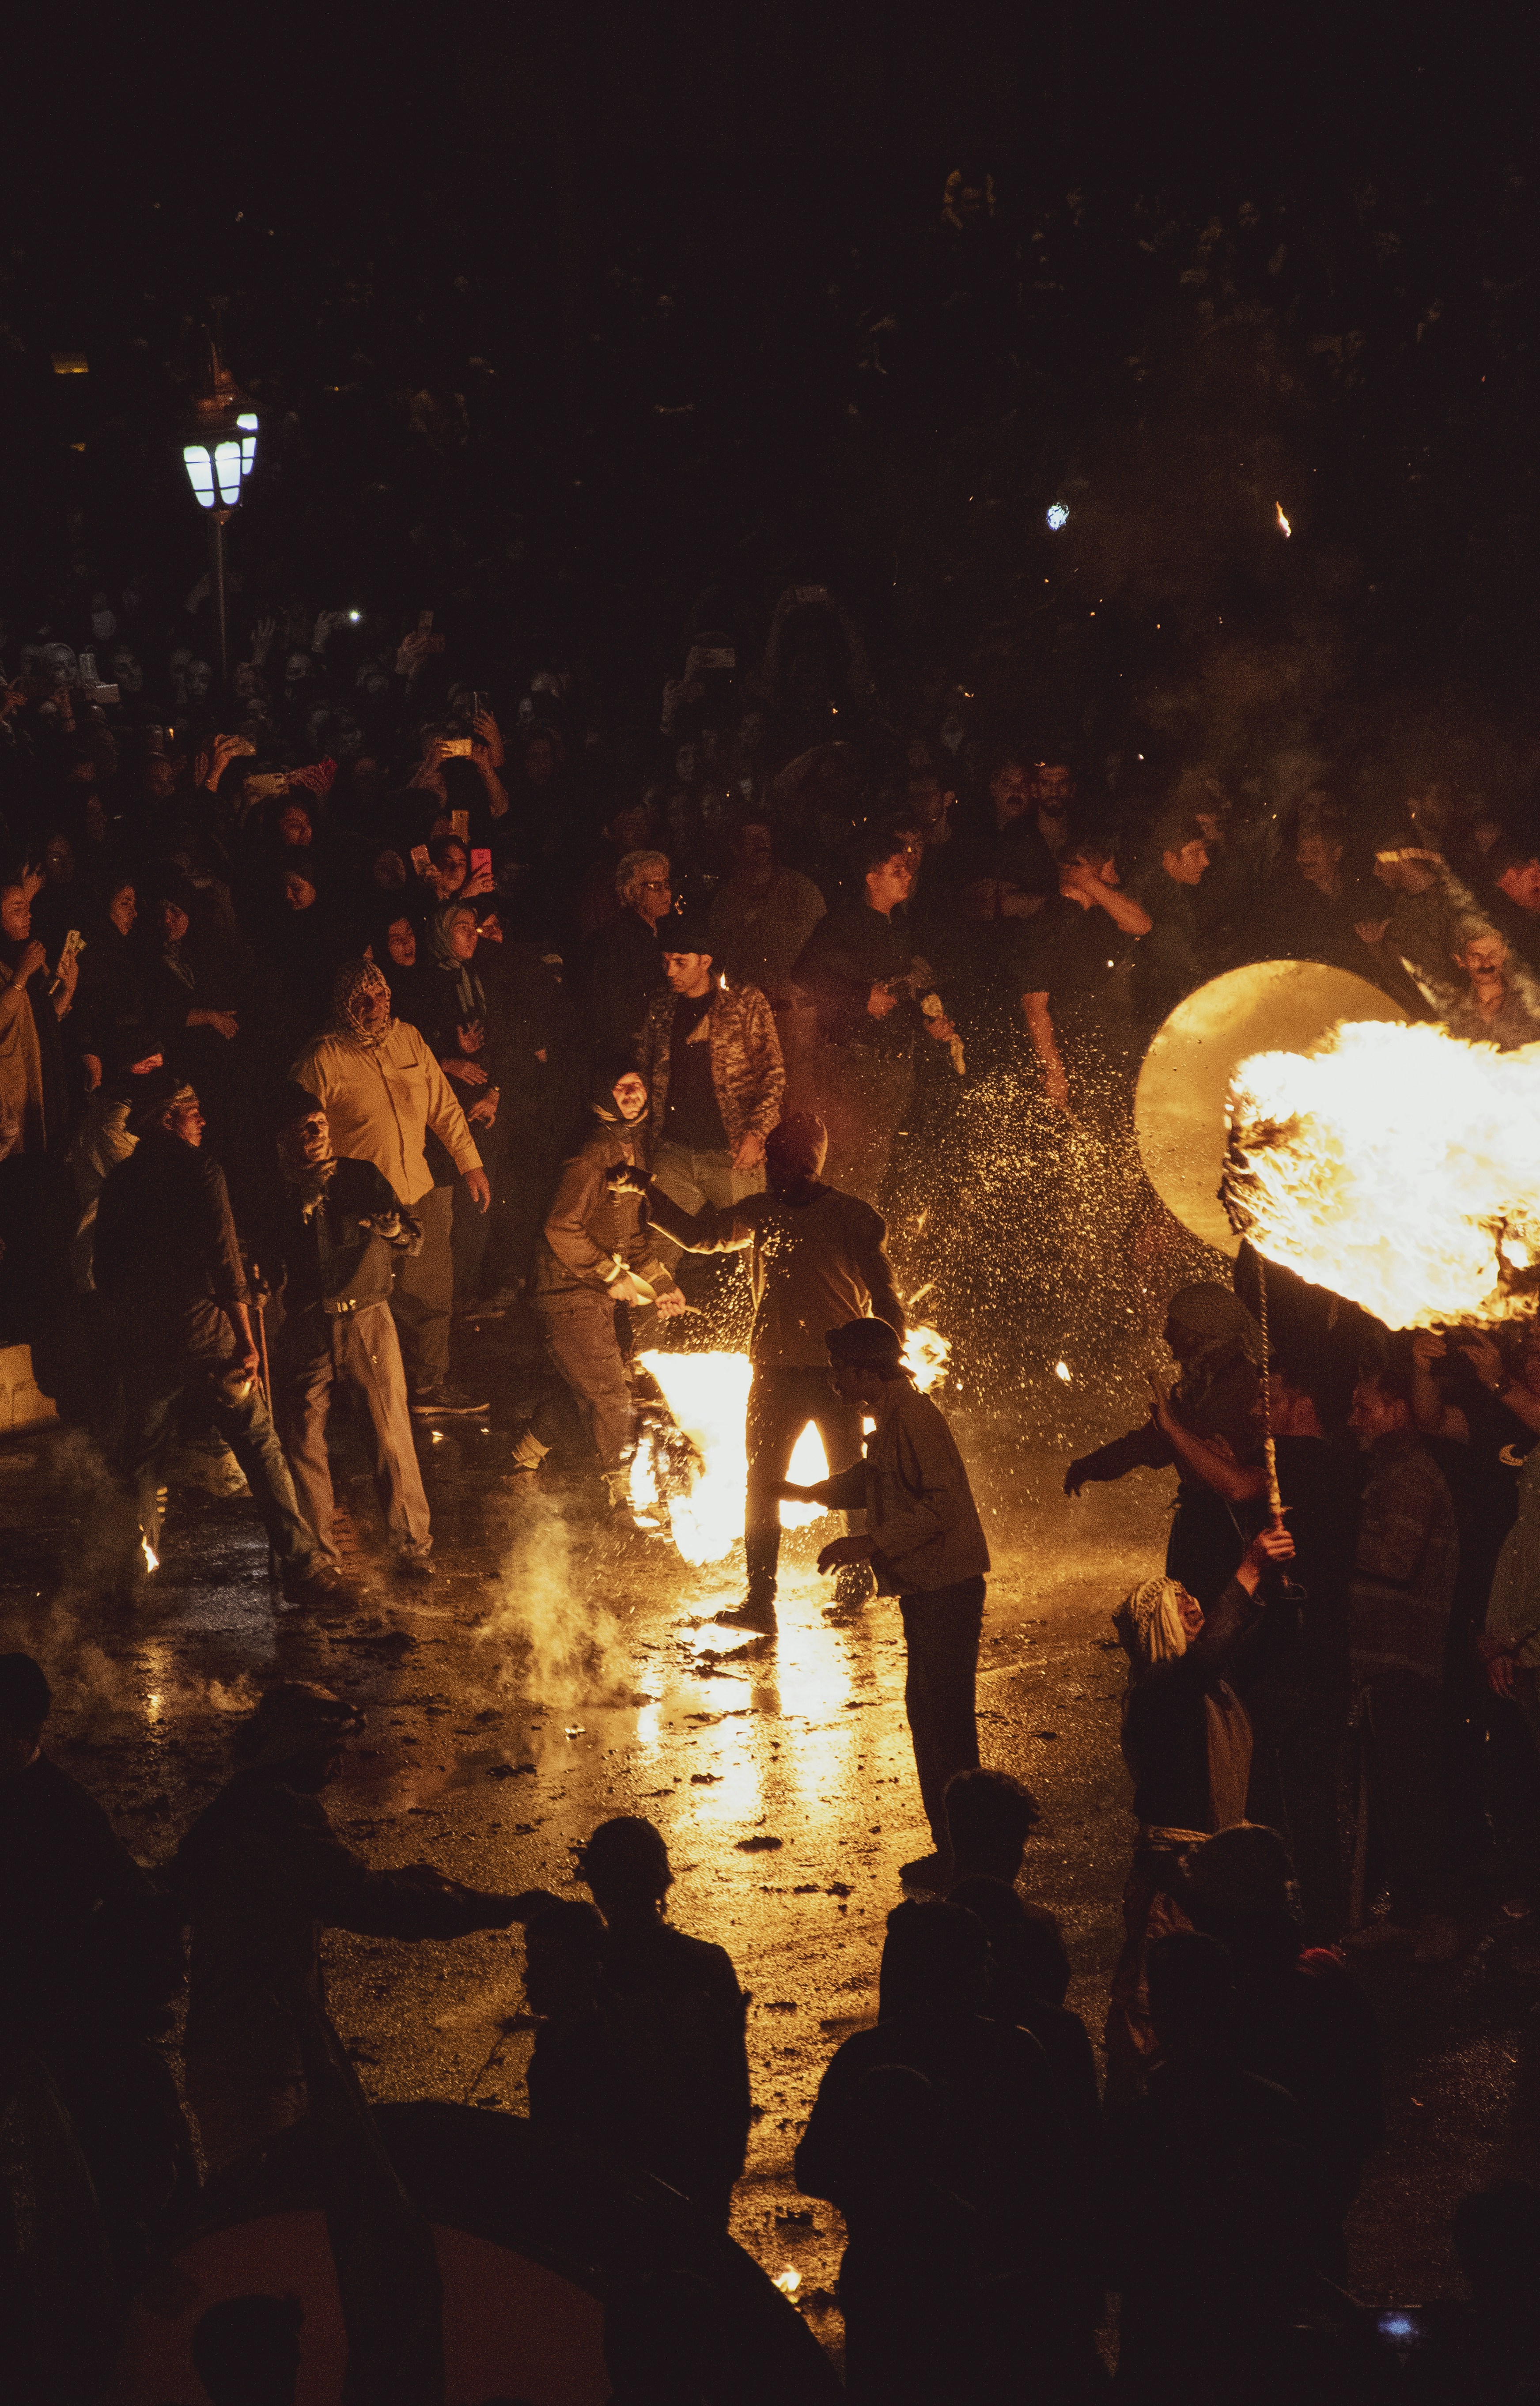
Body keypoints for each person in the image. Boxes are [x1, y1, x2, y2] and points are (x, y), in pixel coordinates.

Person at [173, 1681, 518, 2171]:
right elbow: (365, 1901)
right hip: (258, 2062)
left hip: (234, 2049)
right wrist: (494, 1908)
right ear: (299, 1749)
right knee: (274, 2206)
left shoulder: (233, 1807)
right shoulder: (282, 1815)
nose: (338, 1767)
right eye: (331, 1752)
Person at [797, 1899, 1091, 2404]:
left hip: (886, 2285)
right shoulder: (1013, 2051)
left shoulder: (864, 2055)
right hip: (992, 2283)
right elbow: (1058, 2170)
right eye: (980, 1959)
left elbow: (815, 2169)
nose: (990, 1971)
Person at [636, 1109, 904, 1631]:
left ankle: (857, 1580)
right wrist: (646, 1190)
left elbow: (886, 1298)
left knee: (850, 1481)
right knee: (763, 1485)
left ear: (811, 1163)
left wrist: (886, 1370)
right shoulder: (763, 1211)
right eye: (775, 1161)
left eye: (788, 1160)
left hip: (837, 1379)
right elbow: (698, 1235)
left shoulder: (853, 1217)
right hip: (777, 1373)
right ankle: (761, 1600)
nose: (779, 1170)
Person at [1149, 1344, 1365, 1941]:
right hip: (1311, 1652)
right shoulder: (1325, 1461)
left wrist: (1171, 1428)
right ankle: (1310, 1923)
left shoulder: (1302, 1457)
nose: (1255, 1407)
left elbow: (1239, 1487)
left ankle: (1294, 1927)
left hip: (1295, 1657)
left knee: (1275, 1797)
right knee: (1301, 1796)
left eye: (1268, 1396)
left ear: (1300, 1401)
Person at [94, 1067, 333, 1601]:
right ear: (168, 1119)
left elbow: (105, 1270)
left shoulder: (121, 1181)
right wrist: (246, 1341)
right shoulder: (202, 1170)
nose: (202, 1119)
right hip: (206, 1336)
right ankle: (303, 1564)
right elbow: (226, 1264)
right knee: (258, 1442)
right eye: (192, 1110)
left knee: (141, 1459)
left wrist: (133, 1326)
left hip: (146, 1343)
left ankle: (130, 1575)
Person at [777, 1316, 990, 1887]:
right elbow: (872, 1482)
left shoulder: (914, 1419)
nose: (832, 1382)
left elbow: (942, 1504)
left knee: (943, 1721)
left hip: (947, 1588)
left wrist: (868, 1541)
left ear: (866, 1371)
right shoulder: (892, 1418)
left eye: (838, 1371)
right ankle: (953, 1850)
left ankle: (966, 1857)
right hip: (929, 1588)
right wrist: (806, 1493)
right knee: (930, 1718)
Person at [0, 1651, 188, 2270]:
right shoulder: (63, 1804)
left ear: (27, 1731)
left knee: (61, 2146)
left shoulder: (66, 1811)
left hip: (46, 2011)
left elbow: (124, 1902)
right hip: (39, 2005)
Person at [1105, 1525, 1297, 2095]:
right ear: (1154, 1627)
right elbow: (1210, 1650)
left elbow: (1268, 1638)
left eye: (1190, 1595)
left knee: (1220, 1994)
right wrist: (1246, 1570)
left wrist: (1277, 1581)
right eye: (1175, 1602)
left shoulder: (1211, 1685)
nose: (1190, 1601)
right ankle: (1149, 2113)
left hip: (1212, 1870)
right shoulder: (1157, 1694)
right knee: (1162, 2005)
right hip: (1173, 1877)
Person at [250, 1085, 434, 1586]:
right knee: (303, 1441)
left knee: (390, 1434)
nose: (317, 1133)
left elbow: (412, 1240)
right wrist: (265, 1273)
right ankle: (317, 1560)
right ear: (284, 1140)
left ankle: (412, 1547)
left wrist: (394, 1229)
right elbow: (264, 1259)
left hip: (368, 1322)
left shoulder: (359, 1177)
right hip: (308, 1325)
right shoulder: (277, 1194)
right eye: (305, 1128)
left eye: (321, 1124)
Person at [1180, 1822, 1383, 2275]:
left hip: (1258, 2203)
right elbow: (1366, 2105)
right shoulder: (1322, 1973)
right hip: (1324, 2182)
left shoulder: (1231, 1997)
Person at [292, 957, 491, 1417]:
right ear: (345, 1004)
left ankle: (428, 1385)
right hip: (363, 1203)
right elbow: (297, 1130)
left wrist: (470, 1164)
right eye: (362, 999)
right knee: (365, 1303)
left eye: (380, 995)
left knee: (432, 1294)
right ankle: (365, 1398)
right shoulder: (322, 1058)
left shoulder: (409, 1039)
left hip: (419, 1188)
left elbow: (442, 1105)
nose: (375, 1006)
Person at [517, 1063, 685, 1517]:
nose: (631, 1094)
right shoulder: (594, 1152)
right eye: (620, 1085)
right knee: (611, 1393)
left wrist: (662, 1284)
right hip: (568, 1292)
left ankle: (521, 1463)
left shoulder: (631, 1147)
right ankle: (630, 1496)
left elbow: (628, 1237)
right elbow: (561, 1227)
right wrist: (611, 1277)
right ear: (603, 1093)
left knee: (592, 1386)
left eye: (637, 1086)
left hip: (590, 1293)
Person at [575, 1816, 751, 2227]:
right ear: (663, 1880)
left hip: (616, 2184)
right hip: (695, 2172)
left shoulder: (587, 1971)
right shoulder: (707, 1964)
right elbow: (732, 2089)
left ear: (595, 1887)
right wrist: (722, 2175)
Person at [1344, 1351, 1461, 1959]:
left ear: (1394, 1410)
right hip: (1381, 1658)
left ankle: (1441, 1921)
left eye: (1362, 1408)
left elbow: (1394, 1558)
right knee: (1393, 1795)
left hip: (1406, 1659)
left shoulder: (1409, 1475)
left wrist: (1330, 1534)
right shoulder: (1382, 1471)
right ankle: (1410, 1914)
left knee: (1414, 1795)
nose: (1352, 1419)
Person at [1067, 1282, 1263, 1606]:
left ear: (1198, 1332)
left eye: (1174, 1325)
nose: (1165, 1335)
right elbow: (1155, 1442)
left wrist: (1099, 1463)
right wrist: (1095, 1464)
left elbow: (1162, 1445)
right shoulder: (1202, 1382)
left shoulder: (1240, 1384)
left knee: (1210, 1617)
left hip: (1228, 1528)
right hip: (1205, 1521)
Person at [792, 826, 961, 1204]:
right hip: (854, 1066)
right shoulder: (844, 923)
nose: (908, 875)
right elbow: (804, 972)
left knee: (872, 1166)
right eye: (897, 869)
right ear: (872, 879)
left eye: (909, 868)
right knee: (844, 1165)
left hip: (893, 1069)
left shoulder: (898, 926)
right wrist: (857, 998)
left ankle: (857, 1249)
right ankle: (833, 1249)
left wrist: (926, 1022)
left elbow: (897, 990)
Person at [634, 910, 784, 1237]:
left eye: (680, 962)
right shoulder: (661, 1005)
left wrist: (757, 1133)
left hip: (730, 1152)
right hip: (673, 1152)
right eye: (666, 961)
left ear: (705, 961)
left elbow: (772, 1074)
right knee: (660, 1245)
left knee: (749, 1246)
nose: (670, 971)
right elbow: (645, 1068)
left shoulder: (743, 1003)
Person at [1013, 832, 1151, 1113]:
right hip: (1072, 1056)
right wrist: (1054, 1071)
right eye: (1109, 869)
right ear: (1083, 866)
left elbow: (1142, 925)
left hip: (1110, 1051)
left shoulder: (1099, 919)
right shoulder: (1049, 923)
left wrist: (1090, 881)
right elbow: (1034, 1006)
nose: (1115, 879)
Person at [1128, 810, 1214, 1035]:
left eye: (1204, 852)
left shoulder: (1178, 891)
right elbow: (1184, 968)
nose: (1206, 861)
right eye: (1195, 853)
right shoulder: (1159, 901)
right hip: (1159, 1020)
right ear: (1169, 859)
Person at [585, 847, 673, 1058]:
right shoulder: (613, 939)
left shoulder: (668, 932)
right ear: (630, 892)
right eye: (654, 886)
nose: (665, 892)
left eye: (667, 884)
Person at [1443, 921, 1540, 1048]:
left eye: (1493, 955)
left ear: (1505, 954)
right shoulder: (1451, 1012)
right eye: (1476, 957)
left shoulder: (1533, 1000)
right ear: (1460, 960)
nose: (1486, 964)